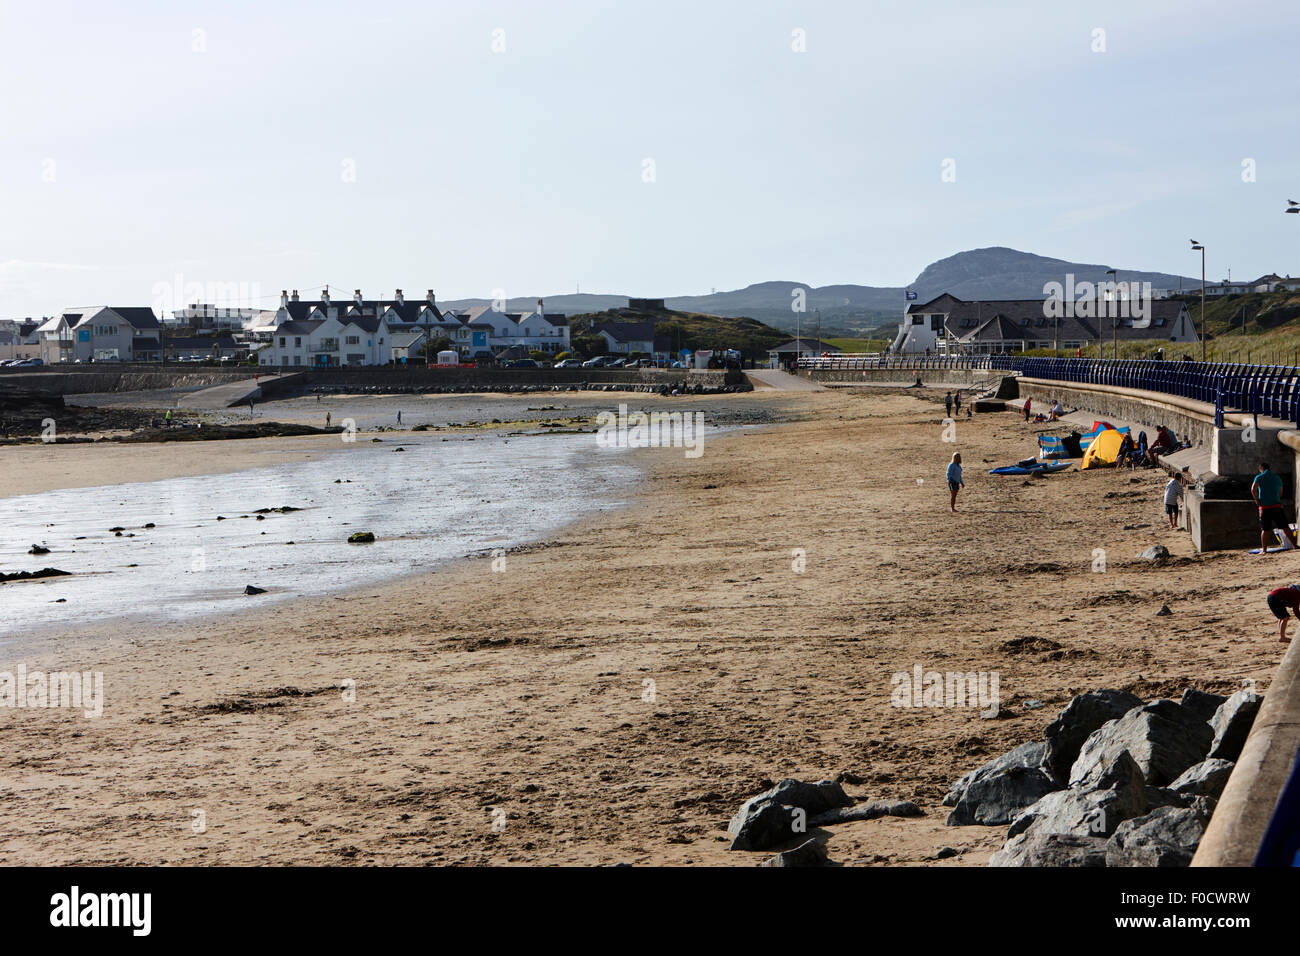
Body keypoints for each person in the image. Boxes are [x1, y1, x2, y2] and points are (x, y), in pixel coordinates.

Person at [1252, 461, 1298, 552]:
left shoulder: (1259, 477)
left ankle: (1264, 550)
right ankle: (1295, 546)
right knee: (1285, 527)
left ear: (1261, 469)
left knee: (1265, 529)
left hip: (1265, 507)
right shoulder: (1277, 477)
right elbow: (1281, 492)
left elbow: (1253, 489)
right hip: (1277, 506)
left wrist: (1257, 500)